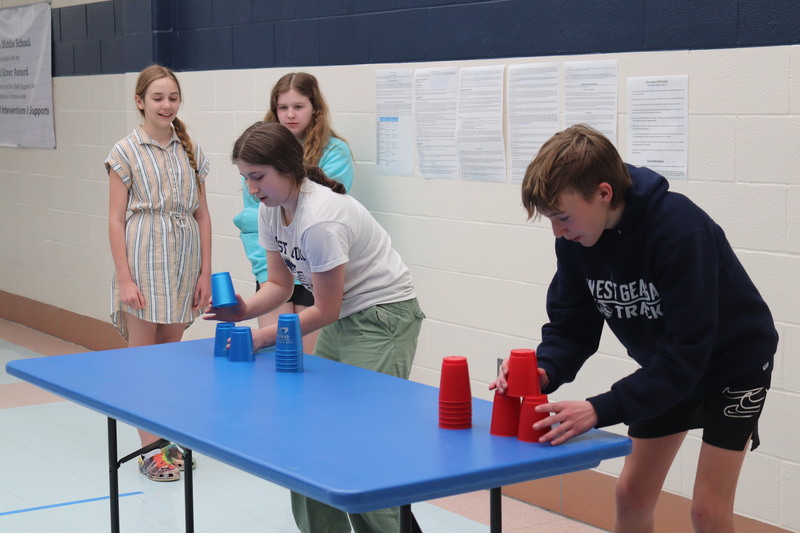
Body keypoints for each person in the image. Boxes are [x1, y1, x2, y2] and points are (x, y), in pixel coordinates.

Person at [490, 124, 777, 533]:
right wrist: (545, 368)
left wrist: (598, 409)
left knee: (707, 511)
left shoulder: (680, 231)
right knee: (630, 494)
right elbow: (572, 328)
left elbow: (686, 355)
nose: (557, 231)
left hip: (734, 365)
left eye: (562, 217)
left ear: (604, 193)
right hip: (668, 369)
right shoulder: (576, 241)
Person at [206, 121, 424, 533]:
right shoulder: (272, 210)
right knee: (308, 448)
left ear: (287, 168)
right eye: (245, 178)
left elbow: (323, 309)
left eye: (258, 176)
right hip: (344, 318)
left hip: (383, 318)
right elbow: (279, 283)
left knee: (360, 452)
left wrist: (261, 337)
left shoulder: (321, 219)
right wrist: (245, 309)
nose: (252, 188)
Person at [106, 64, 211, 482]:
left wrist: (205, 272)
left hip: (184, 264)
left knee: (170, 361)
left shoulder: (191, 150)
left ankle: (167, 439)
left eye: (172, 98)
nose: (166, 105)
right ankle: (149, 450)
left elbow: (203, 216)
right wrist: (125, 279)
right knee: (145, 362)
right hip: (143, 262)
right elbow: (115, 220)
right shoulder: (124, 152)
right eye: (157, 98)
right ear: (140, 102)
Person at [233, 72, 354, 354]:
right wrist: (267, 277)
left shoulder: (334, 154)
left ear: (315, 109)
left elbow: (315, 217)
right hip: (276, 268)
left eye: (298, 107)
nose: (290, 115)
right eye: (282, 107)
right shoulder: (257, 160)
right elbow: (255, 223)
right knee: (273, 355)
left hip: (316, 270)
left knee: (306, 358)